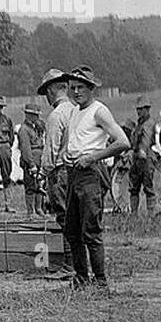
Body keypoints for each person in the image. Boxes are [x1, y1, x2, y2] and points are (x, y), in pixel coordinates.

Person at [60, 66, 129, 289]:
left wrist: (91, 158)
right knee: (72, 229)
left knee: (91, 229)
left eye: (81, 87)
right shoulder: (75, 111)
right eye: (72, 88)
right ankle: (81, 278)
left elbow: (122, 142)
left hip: (91, 174)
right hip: (74, 173)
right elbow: (76, 140)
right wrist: (65, 154)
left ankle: (100, 282)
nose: (76, 92)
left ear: (92, 89)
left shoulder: (99, 111)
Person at [38, 67, 75, 228]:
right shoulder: (78, 111)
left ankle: (69, 253)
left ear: (51, 90)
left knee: (64, 219)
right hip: (78, 170)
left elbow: (51, 150)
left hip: (61, 172)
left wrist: (42, 174)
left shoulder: (56, 115)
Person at [122, 97, 158, 215]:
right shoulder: (139, 123)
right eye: (138, 109)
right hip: (136, 158)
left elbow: (146, 139)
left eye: (141, 109)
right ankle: (133, 213)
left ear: (147, 109)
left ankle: (151, 215)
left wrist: (142, 150)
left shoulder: (149, 123)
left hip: (146, 158)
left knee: (148, 187)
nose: (138, 112)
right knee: (134, 187)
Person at [17, 104, 46, 216]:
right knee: (30, 186)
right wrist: (31, 164)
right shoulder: (24, 130)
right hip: (31, 160)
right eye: (35, 115)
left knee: (40, 185)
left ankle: (39, 209)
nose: (37, 117)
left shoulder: (37, 127)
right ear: (28, 115)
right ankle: (31, 211)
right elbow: (26, 149)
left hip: (40, 159)